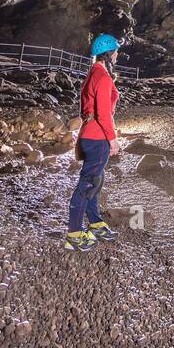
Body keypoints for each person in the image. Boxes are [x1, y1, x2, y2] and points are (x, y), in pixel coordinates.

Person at [65, 34, 122, 251]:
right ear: (108, 53)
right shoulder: (104, 78)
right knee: (87, 184)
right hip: (98, 138)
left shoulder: (94, 73)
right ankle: (74, 234)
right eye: (116, 51)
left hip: (88, 135)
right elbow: (104, 114)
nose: (118, 54)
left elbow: (86, 109)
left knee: (95, 181)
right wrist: (113, 139)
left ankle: (95, 222)